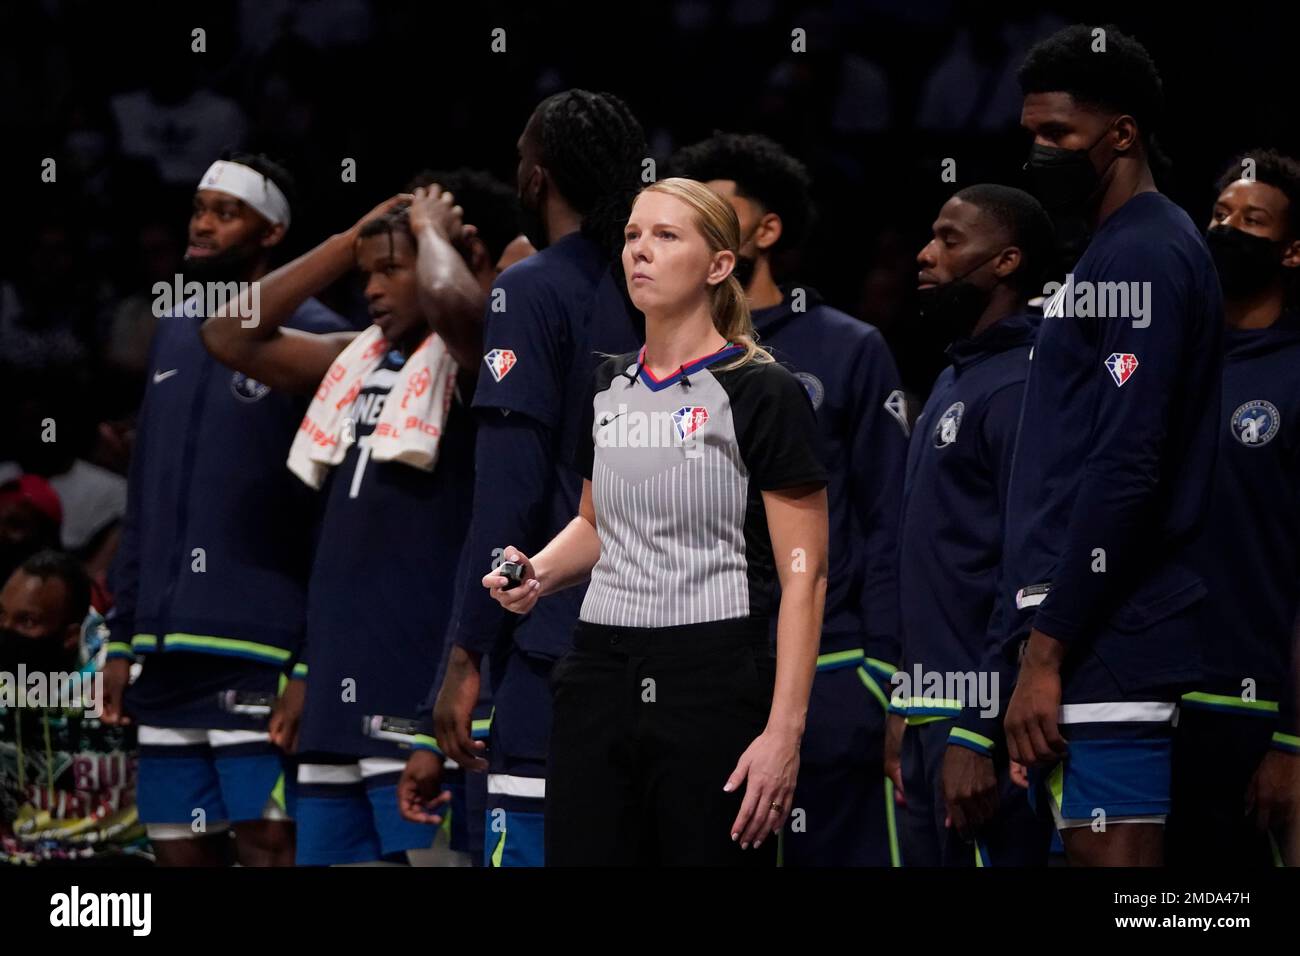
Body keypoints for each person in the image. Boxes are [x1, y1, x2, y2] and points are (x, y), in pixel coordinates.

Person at [487, 177, 828, 866]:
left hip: (712, 677)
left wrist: (783, 732)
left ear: (718, 265)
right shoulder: (606, 382)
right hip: (595, 673)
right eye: (633, 235)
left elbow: (807, 574)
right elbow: (596, 521)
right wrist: (537, 571)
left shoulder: (763, 390)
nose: (640, 251)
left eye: (666, 236)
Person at [201, 170, 519, 865]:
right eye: (365, 274)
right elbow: (229, 334)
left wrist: (436, 234)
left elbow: (463, 308)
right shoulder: (352, 359)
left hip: (419, 687)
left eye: (391, 271)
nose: (370, 288)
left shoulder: (478, 361)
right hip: (338, 686)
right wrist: (348, 242)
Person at [962, 24, 1222, 866]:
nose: (1039, 153)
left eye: (1059, 136)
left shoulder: (1147, 250)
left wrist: (1048, 650)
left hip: (1114, 642)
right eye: (1031, 134)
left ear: (1123, 133)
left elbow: (1128, 465)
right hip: (1081, 640)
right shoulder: (1110, 251)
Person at [103, 152, 351, 867]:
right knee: (179, 853)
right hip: (163, 654)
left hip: (259, 652)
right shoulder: (175, 329)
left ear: (272, 231)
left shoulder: (315, 334)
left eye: (226, 211)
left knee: (269, 846)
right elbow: (145, 493)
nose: (203, 225)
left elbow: (331, 516)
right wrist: (123, 638)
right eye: (199, 209)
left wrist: (309, 662)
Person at [421, 90, 646, 867]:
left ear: (539, 176)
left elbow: (509, 496)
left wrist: (464, 654)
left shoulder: (533, 286)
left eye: (521, 154)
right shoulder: (671, 289)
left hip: (557, 645)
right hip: (676, 646)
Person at [670, 132, 908, 866]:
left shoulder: (849, 347)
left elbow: (890, 516)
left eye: (720, 209)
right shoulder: (658, 359)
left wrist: (888, 675)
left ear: (765, 232)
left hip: (834, 669)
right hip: (700, 675)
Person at [899, 184, 1054, 866]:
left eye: (950, 240)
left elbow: (1024, 571)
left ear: (1006, 262)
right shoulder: (952, 381)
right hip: (927, 709)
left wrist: (976, 731)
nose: (925, 255)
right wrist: (905, 703)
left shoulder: (1024, 385)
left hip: (978, 723)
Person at [1165, 150, 1300, 866]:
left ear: (1293, 250)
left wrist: (1292, 737)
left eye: (1252, 221)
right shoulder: (1167, 361)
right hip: (1149, 697)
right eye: (1219, 215)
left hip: (1254, 711)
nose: (1227, 229)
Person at [0, 550, 148, 864]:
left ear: (70, 635)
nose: (7, 629)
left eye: (26, 621)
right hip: (20, 852)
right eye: (1, 615)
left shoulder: (126, 674)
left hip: (121, 855)